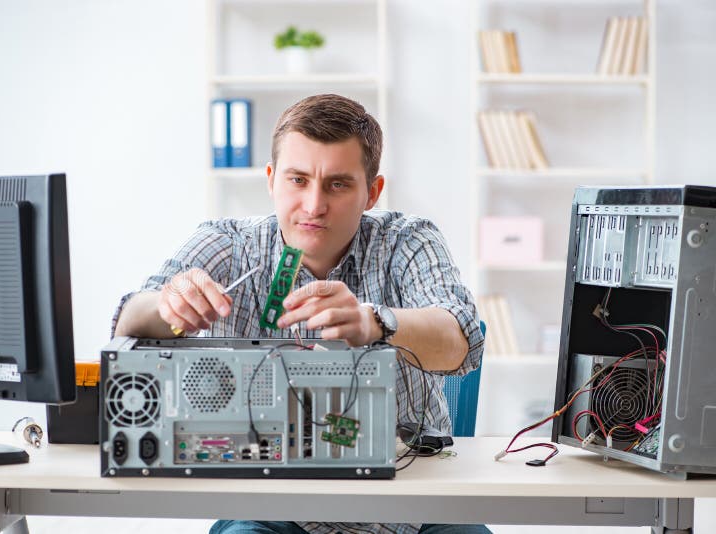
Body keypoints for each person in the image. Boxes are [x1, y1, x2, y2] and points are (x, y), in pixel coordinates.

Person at [112, 94, 488, 534]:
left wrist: (375, 323)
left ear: (373, 192)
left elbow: (461, 339)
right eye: (297, 180)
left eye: (338, 184)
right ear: (271, 180)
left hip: (413, 507)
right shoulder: (228, 243)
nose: (313, 205)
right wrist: (166, 304)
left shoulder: (408, 240)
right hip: (273, 508)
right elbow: (128, 320)